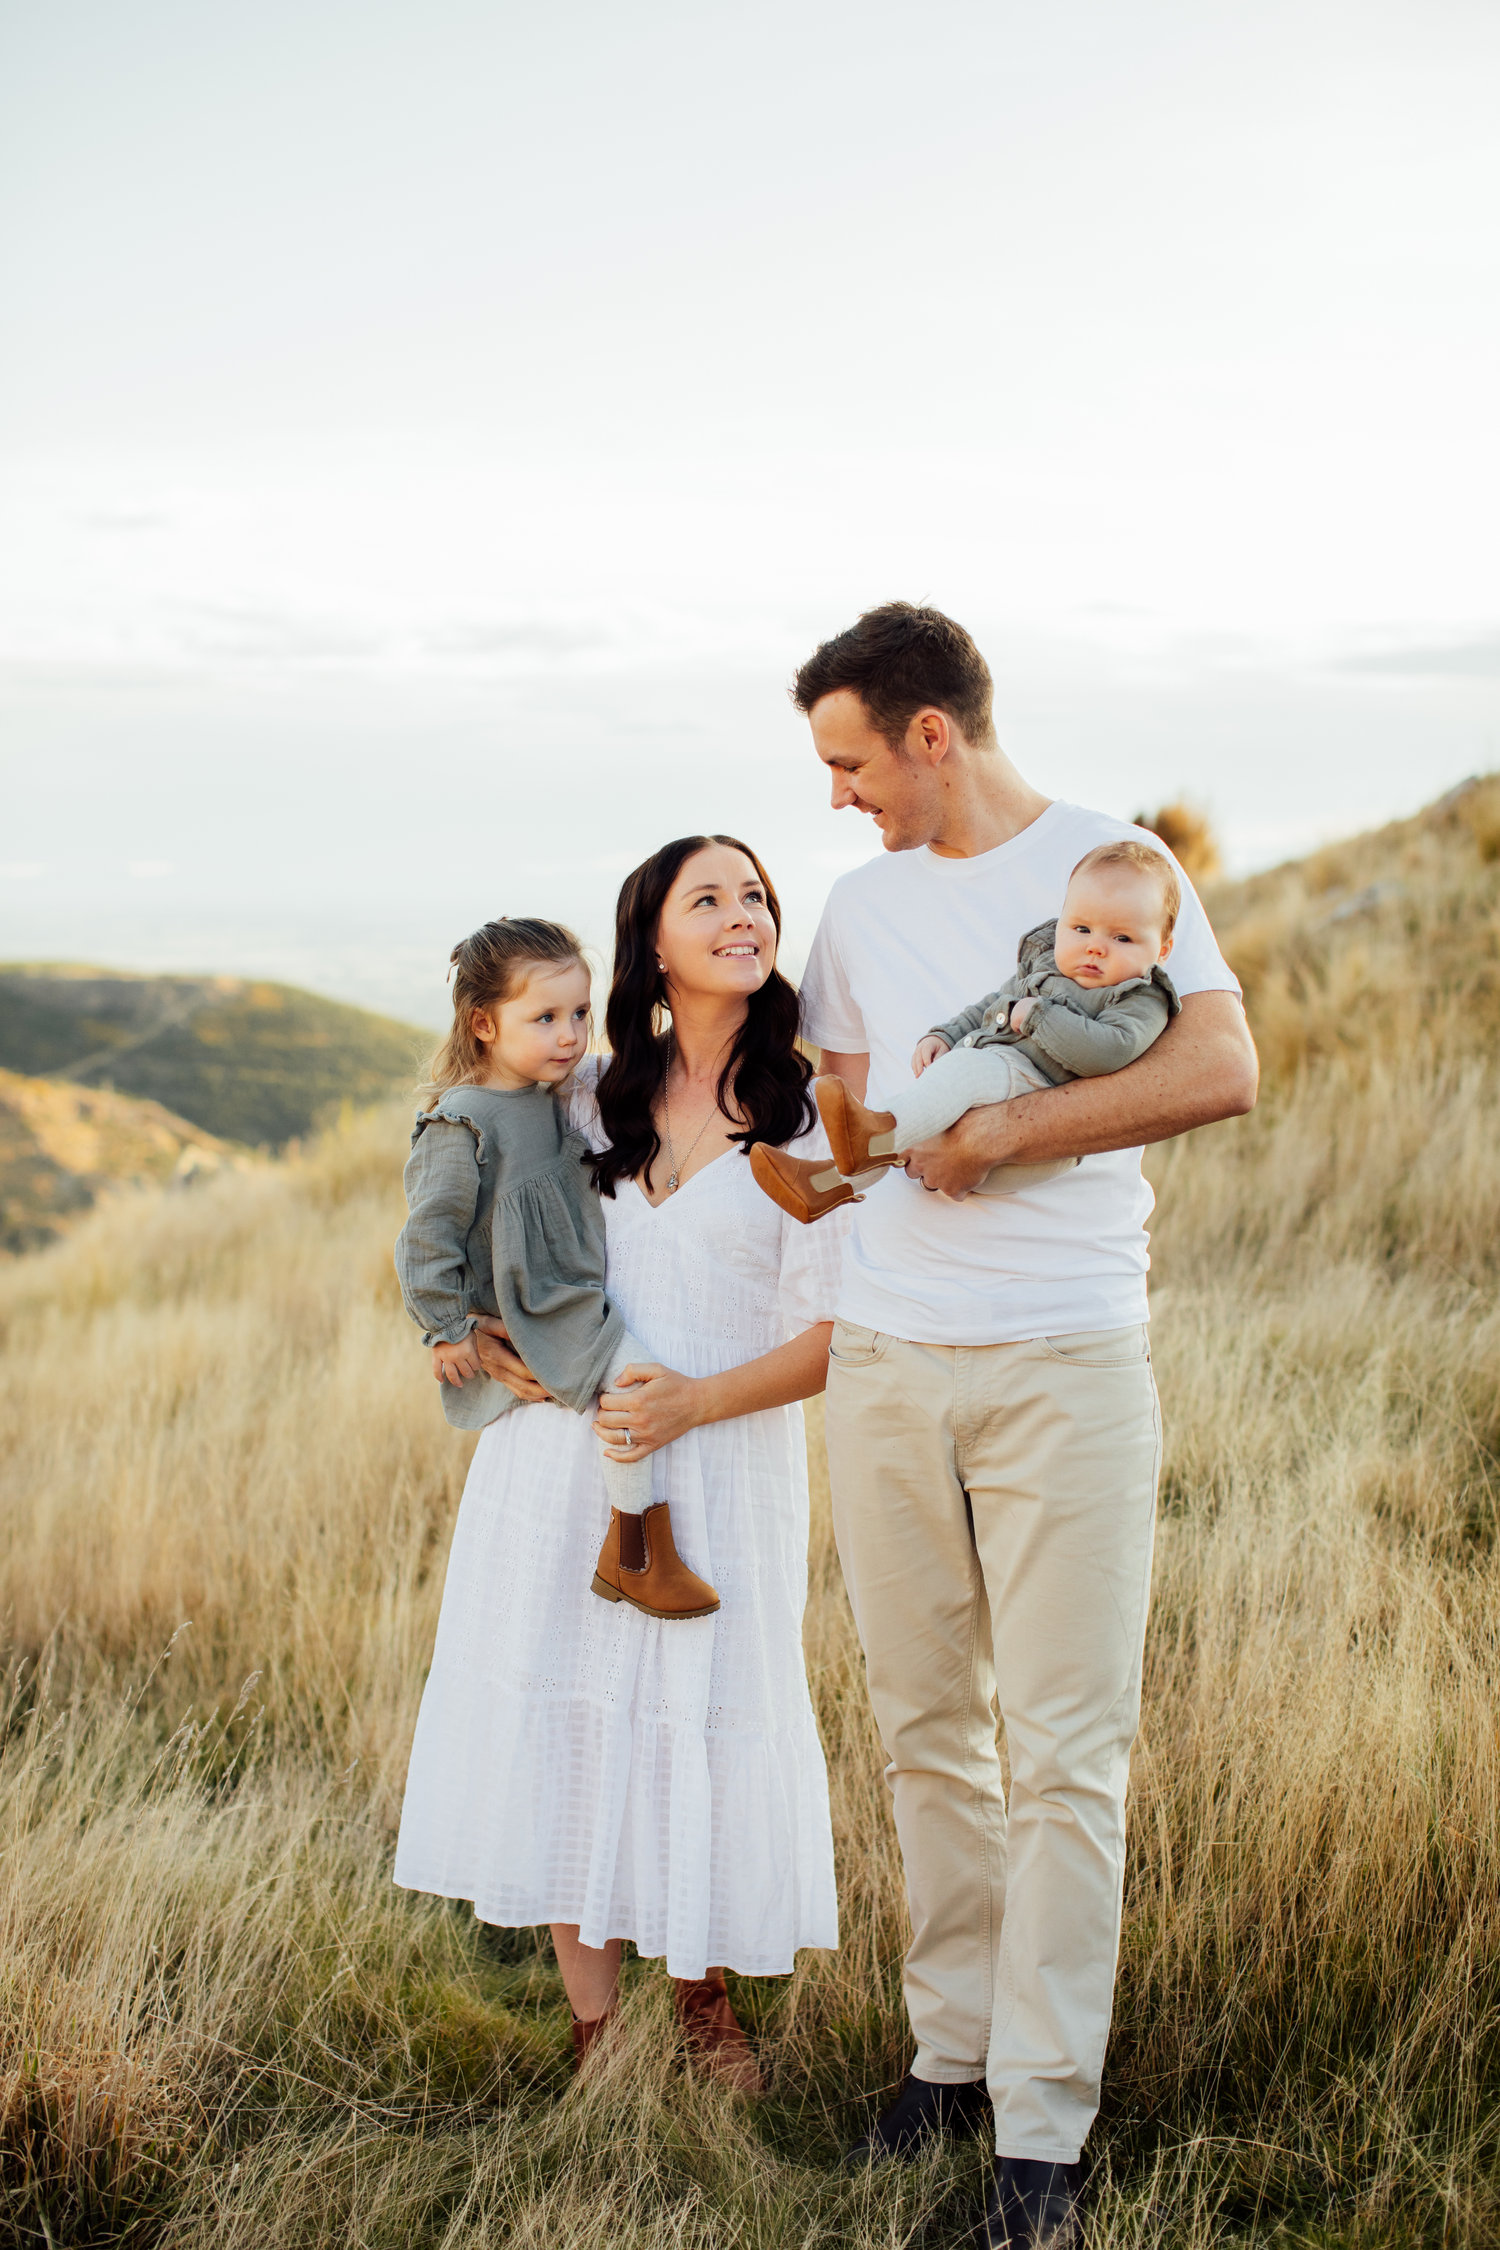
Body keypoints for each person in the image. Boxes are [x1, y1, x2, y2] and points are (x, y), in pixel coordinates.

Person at [789, 604, 1257, 2250]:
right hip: (889, 1368)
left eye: (849, 760)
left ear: (930, 734)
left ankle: (1042, 2150)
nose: (838, 795)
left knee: (1063, 1758)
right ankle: (952, 2057)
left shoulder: (1116, 867)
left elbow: (1222, 1066)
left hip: (1065, 1364)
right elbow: (844, 1134)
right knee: (928, 1733)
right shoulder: (852, 911)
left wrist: (1006, 1133)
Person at [393, 835, 847, 2088]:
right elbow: (461, 1202)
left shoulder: (809, 1113)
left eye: (757, 895)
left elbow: (836, 1337)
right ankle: (594, 2025)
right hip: (556, 1467)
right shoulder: (577, 1095)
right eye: (711, 897)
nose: (745, 913)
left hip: (725, 1461)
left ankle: (702, 2002)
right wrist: (472, 1339)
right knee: (570, 1728)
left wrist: (697, 1401)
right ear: (653, 939)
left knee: (695, 1720)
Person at [395, 915, 718, 1619]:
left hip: (570, 1290)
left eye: (578, 1013)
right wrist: (448, 1329)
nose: (569, 1035)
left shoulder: (550, 1097)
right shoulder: (466, 1121)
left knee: (630, 1381)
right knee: (634, 1382)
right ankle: (637, 1553)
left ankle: (633, 1551)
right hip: (544, 1303)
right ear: (483, 1024)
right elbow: (426, 1239)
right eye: (544, 1018)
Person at [754, 840, 1180, 1224]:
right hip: (992, 1114)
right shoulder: (1046, 964)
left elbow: (1109, 1052)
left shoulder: (1140, 998)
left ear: (1161, 949)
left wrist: (1037, 1018)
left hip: (1039, 1118)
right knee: (917, 1120)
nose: (1095, 947)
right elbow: (989, 1006)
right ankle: (822, 1185)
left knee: (970, 1069)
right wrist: (945, 1033)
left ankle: (870, 1133)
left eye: (1122, 937)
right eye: (1081, 928)